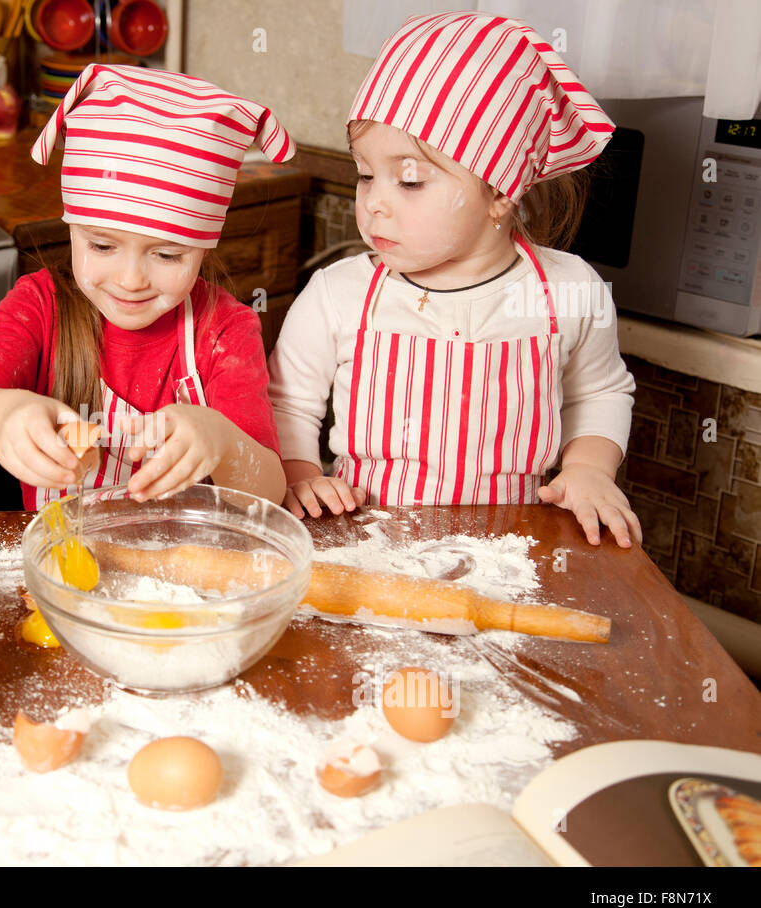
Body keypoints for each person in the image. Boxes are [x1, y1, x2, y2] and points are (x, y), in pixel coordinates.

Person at [269, 11, 641, 548]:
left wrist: (588, 468)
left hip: (513, 547)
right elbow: (286, 401)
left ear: (501, 191)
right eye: (366, 174)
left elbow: (602, 391)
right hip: (367, 541)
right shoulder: (339, 294)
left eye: (410, 181)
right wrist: (301, 473)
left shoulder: (568, 291)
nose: (375, 203)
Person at [0, 65, 292, 508]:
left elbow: (271, 491)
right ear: (71, 230)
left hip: (186, 566)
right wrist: (4, 416)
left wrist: (222, 442)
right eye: (102, 245)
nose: (130, 280)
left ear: (203, 250)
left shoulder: (224, 330)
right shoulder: (41, 305)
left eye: (166, 255)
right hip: (65, 565)